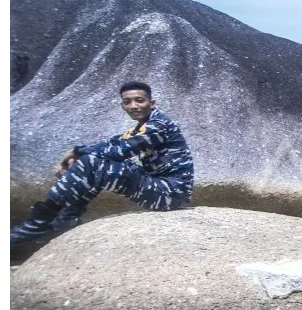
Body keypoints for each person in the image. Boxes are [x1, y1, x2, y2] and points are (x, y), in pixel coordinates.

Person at [10, 81, 194, 244]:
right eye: (127, 102)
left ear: (151, 103)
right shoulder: (142, 126)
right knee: (90, 161)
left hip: (169, 194)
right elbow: (110, 143)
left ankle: (37, 224)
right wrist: (77, 154)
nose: (133, 106)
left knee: (93, 163)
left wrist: (76, 152)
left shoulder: (158, 125)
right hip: (158, 185)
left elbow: (121, 151)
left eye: (140, 100)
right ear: (122, 105)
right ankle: (68, 218)